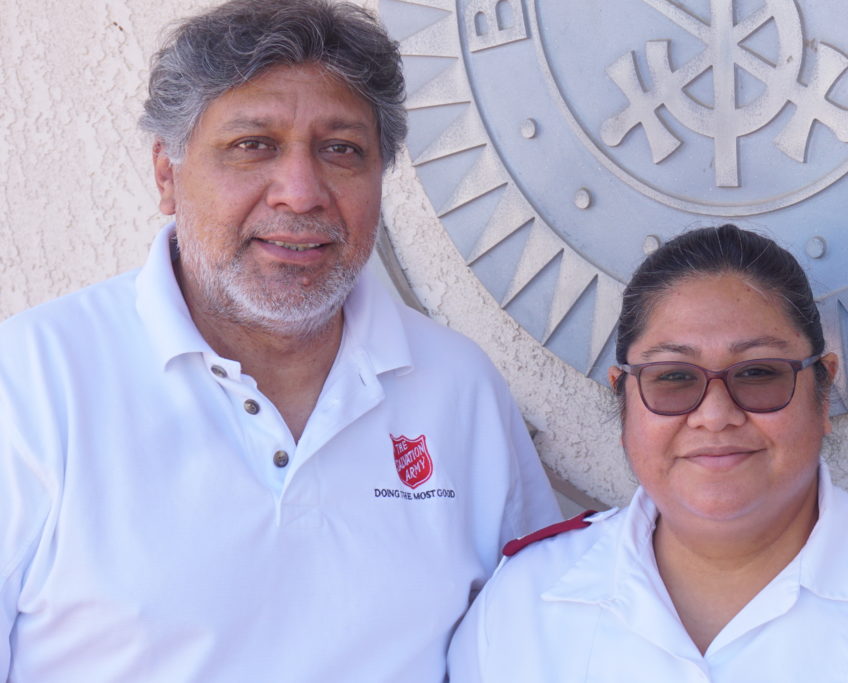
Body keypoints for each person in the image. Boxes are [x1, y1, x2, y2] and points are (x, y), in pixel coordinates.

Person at [0, 1, 560, 680]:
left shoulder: (459, 388)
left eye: (341, 150)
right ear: (166, 174)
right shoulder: (31, 381)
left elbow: (534, 643)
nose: (300, 193)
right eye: (253, 145)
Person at [447, 224, 848, 681]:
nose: (716, 414)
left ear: (822, 392)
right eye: (673, 377)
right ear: (625, 399)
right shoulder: (523, 608)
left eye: (757, 373)